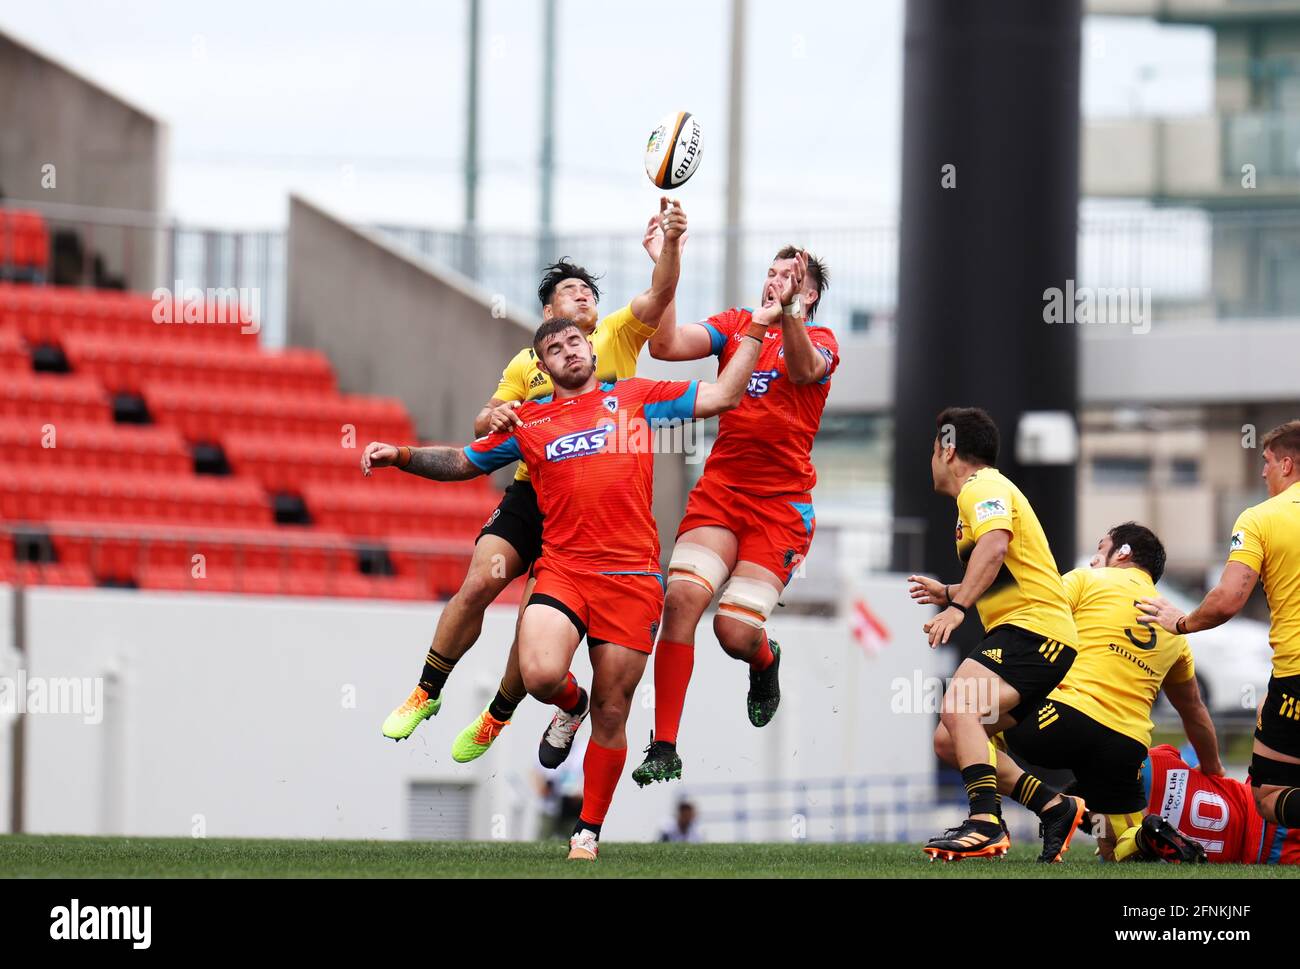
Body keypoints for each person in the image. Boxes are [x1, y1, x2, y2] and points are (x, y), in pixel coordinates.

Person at [361, 302, 778, 860]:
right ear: (543, 366)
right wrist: (402, 456)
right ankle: (568, 703)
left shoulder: (635, 397)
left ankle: (587, 832)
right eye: (554, 350)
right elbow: (464, 461)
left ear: (589, 348)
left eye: (574, 344)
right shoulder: (529, 420)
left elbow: (723, 395)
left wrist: (756, 326)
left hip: (631, 580)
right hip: (564, 570)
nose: (569, 352)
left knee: (615, 709)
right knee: (538, 674)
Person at [378, 200, 687, 769]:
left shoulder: (617, 334)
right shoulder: (529, 362)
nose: (584, 295)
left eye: (589, 289)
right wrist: (494, 417)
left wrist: (668, 246)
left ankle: (499, 712)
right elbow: (481, 429)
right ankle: (426, 690)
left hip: (601, 509)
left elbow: (661, 292)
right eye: (571, 290)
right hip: (535, 492)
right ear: (548, 312)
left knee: (534, 625)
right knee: (479, 581)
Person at [628, 247, 840, 788]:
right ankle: (665, 745)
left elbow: (801, 369)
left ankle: (765, 661)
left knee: (732, 631)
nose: (774, 281)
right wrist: (669, 263)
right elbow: (666, 344)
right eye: (770, 272)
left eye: (789, 277)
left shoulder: (820, 341)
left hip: (780, 511)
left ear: (809, 294)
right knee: (679, 602)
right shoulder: (735, 324)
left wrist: (787, 314)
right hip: (721, 495)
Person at [906, 407, 1080, 861]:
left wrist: (958, 607)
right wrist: (948, 590)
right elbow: (1004, 566)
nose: (931, 459)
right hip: (1041, 637)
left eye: (932, 448)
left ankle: (985, 822)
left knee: (960, 703)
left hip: (1035, 630)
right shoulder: (985, 492)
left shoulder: (981, 486)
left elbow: (996, 544)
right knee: (952, 738)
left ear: (947, 449)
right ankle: (1054, 805)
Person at [992, 523, 1221, 861]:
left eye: (1101, 549)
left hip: (1060, 722)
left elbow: (1029, 615)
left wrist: (962, 596)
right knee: (1118, 848)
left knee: (962, 722)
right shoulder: (1175, 629)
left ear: (1122, 553)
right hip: (1125, 747)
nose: (1095, 559)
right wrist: (1214, 770)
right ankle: (1145, 837)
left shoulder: (1087, 580)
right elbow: (1194, 712)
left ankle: (1035, 809)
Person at [1139, 420, 1300, 832]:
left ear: (1286, 463)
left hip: (1296, 676)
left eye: (1265, 462)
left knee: (1268, 795)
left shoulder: (1260, 519)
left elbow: (1227, 600)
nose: (1262, 472)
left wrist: (1180, 621)